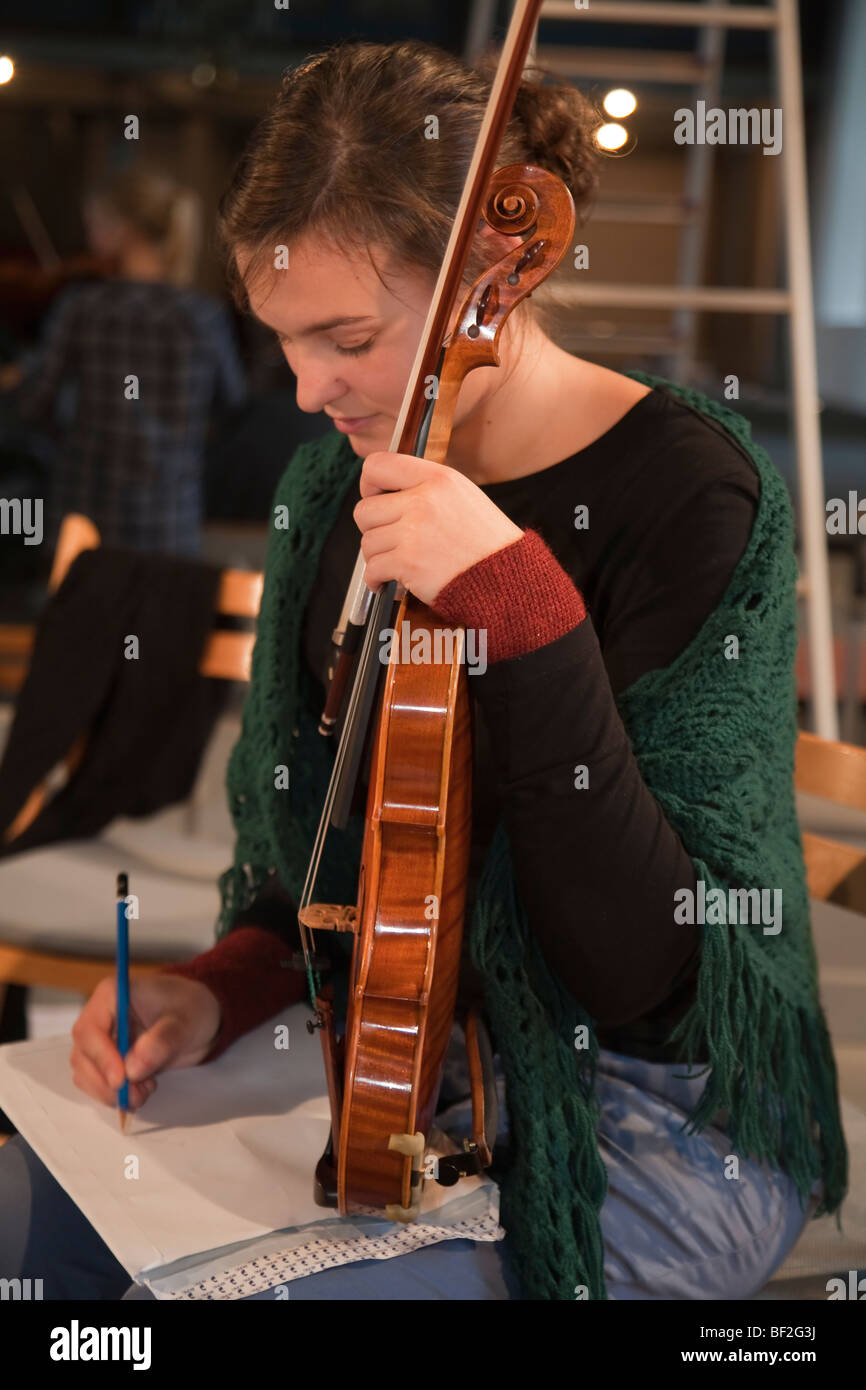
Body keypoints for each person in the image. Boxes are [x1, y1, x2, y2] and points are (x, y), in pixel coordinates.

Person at [0, 40, 847, 1301]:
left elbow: (648, 969)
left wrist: (516, 607)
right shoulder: (329, 486)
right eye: (282, 341)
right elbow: (336, 855)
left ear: (489, 281)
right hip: (400, 1061)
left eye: (344, 336)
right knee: (26, 1206)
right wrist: (216, 988)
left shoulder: (692, 493)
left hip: (646, 1119)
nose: (304, 390)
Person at [1, 167, 247, 556]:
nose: (88, 238)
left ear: (123, 230)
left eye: (95, 226)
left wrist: (20, 385)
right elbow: (232, 407)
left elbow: (36, 404)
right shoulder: (204, 317)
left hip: (88, 526)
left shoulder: (83, 308)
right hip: (171, 524)